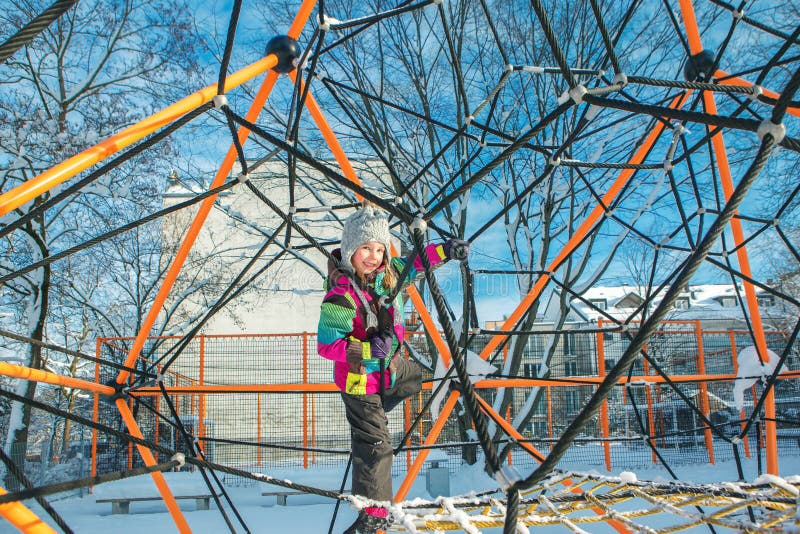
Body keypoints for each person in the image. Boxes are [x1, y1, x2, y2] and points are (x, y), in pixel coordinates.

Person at [317, 203, 469, 534]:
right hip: (360, 382)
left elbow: (418, 260)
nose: (372, 255)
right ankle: (372, 513)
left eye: (379, 248)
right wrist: (371, 349)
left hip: (393, 370)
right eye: (365, 248)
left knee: (417, 376)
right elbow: (328, 345)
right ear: (350, 250)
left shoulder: (390, 275)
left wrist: (446, 249)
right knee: (376, 447)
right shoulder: (341, 295)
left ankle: (376, 416)